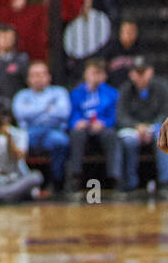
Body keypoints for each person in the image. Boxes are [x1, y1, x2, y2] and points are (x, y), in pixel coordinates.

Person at [11, 60, 70, 191]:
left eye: (42, 74)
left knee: (61, 141)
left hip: (52, 131)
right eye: (34, 75)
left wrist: (32, 110)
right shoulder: (21, 95)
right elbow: (20, 114)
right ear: (28, 79)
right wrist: (47, 108)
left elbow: (63, 113)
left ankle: (57, 182)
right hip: (29, 132)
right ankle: (20, 183)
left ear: (49, 77)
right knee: (16, 143)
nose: (38, 78)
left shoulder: (59, 92)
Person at [66, 59, 121, 193]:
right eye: (92, 73)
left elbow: (115, 116)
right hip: (83, 127)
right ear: (85, 74)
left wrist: (104, 122)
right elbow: (71, 115)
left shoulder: (112, 93)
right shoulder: (76, 94)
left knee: (111, 135)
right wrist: (77, 122)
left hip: (103, 127)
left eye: (99, 73)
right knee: (76, 134)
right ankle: (75, 177)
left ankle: (114, 177)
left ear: (104, 75)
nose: (95, 77)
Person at [115, 58, 168, 194]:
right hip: (133, 130)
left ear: (151, 72)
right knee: (128, 141)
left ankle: (165, 182)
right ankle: (130, 184)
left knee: (163, 137)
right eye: (137, 73)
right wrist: (137, 126)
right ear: (131, 74)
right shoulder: (125, 89)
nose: (140, 76)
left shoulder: (162, 87)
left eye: (143, 72)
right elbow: (121, 116)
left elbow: (165, 112)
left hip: (155, 127)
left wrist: (151, 126)